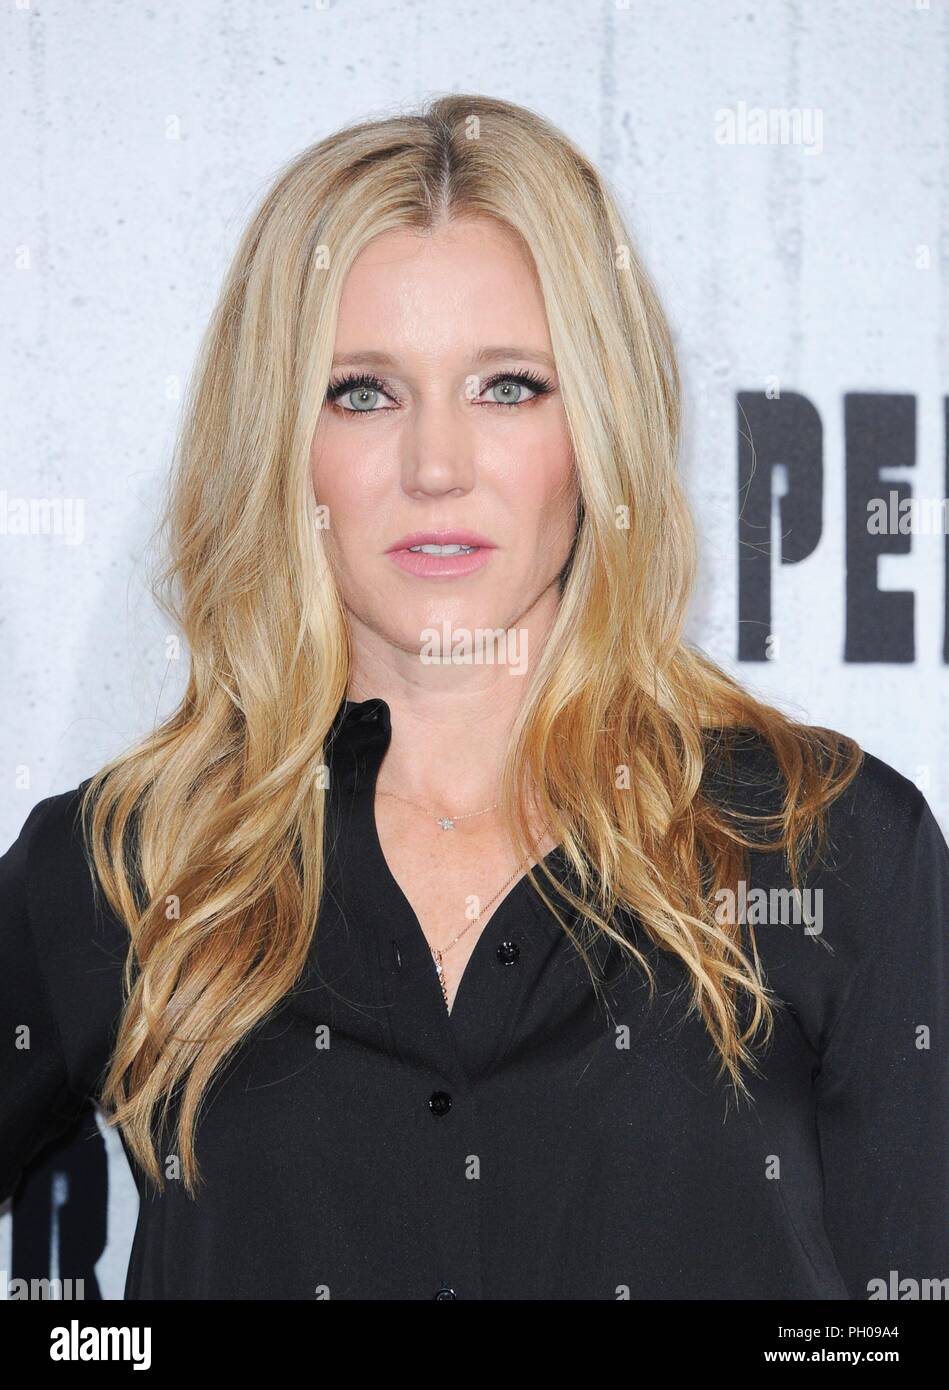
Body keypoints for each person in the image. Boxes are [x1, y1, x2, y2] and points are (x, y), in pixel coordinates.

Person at [1, 93, 946, 1301]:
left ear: (597, 423)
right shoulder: (134, 863)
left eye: (507, 387)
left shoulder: (831, 847)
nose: (435, 466)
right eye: (362, 392)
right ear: (278, 441)